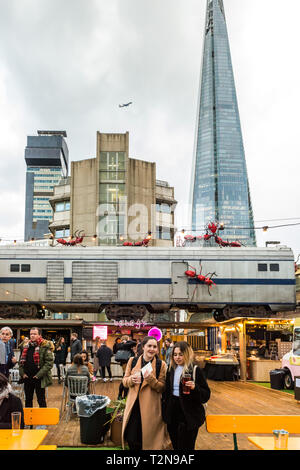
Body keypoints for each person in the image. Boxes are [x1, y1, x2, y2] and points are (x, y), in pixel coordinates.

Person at [122, 336, 171, 451]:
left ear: (157, 350)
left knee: (147, 440)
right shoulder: (132, 361)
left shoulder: (161, 364)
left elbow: (162, 388)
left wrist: (151, 379)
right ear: (143, 347)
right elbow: (124, 381)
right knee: (132, 438)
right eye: (149, 346)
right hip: (133, 406)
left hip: (151, 408)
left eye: (154, 347)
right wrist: (131, 380)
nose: (152, 349)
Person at [162, 341, 210, 450]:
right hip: (173, 412)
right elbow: (166, 392)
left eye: (180, 354)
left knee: (187, 446)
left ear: (187, 354)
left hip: (189, 414)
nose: (177, 357)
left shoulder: (195, 370)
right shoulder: (171, 369)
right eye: (175, 354)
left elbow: (206, 395)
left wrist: (195, 388)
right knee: (175, 444)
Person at [19, 327, 54, 408]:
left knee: (41, 400)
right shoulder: (26, 346)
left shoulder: (45, 346)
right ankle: (29, 420)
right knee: (28, 399)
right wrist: (22, 373)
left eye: (34, 334)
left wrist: (38, 375)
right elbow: (20, 362)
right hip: (27, 377)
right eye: (31, 334)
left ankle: (43, 419)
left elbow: (49, 363)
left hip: (39, 378)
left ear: (39, 335)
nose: (32, 336)